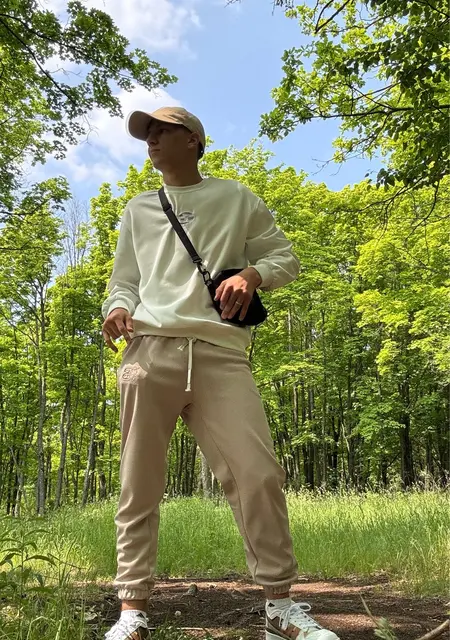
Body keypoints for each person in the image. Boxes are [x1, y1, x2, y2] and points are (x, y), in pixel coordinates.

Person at [101, 106, 340, 640]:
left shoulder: (236, 198)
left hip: (221, 353)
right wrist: (116, 308)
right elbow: (124, 281)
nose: (151, 140)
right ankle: (132, 610)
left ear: (193, 139)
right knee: (138, 482)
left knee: (258, 474)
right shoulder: (139, 209)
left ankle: (279, 607)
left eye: (162, 131)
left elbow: (285, 258)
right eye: (147, 134)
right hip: (149, 352)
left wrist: (252, 274)